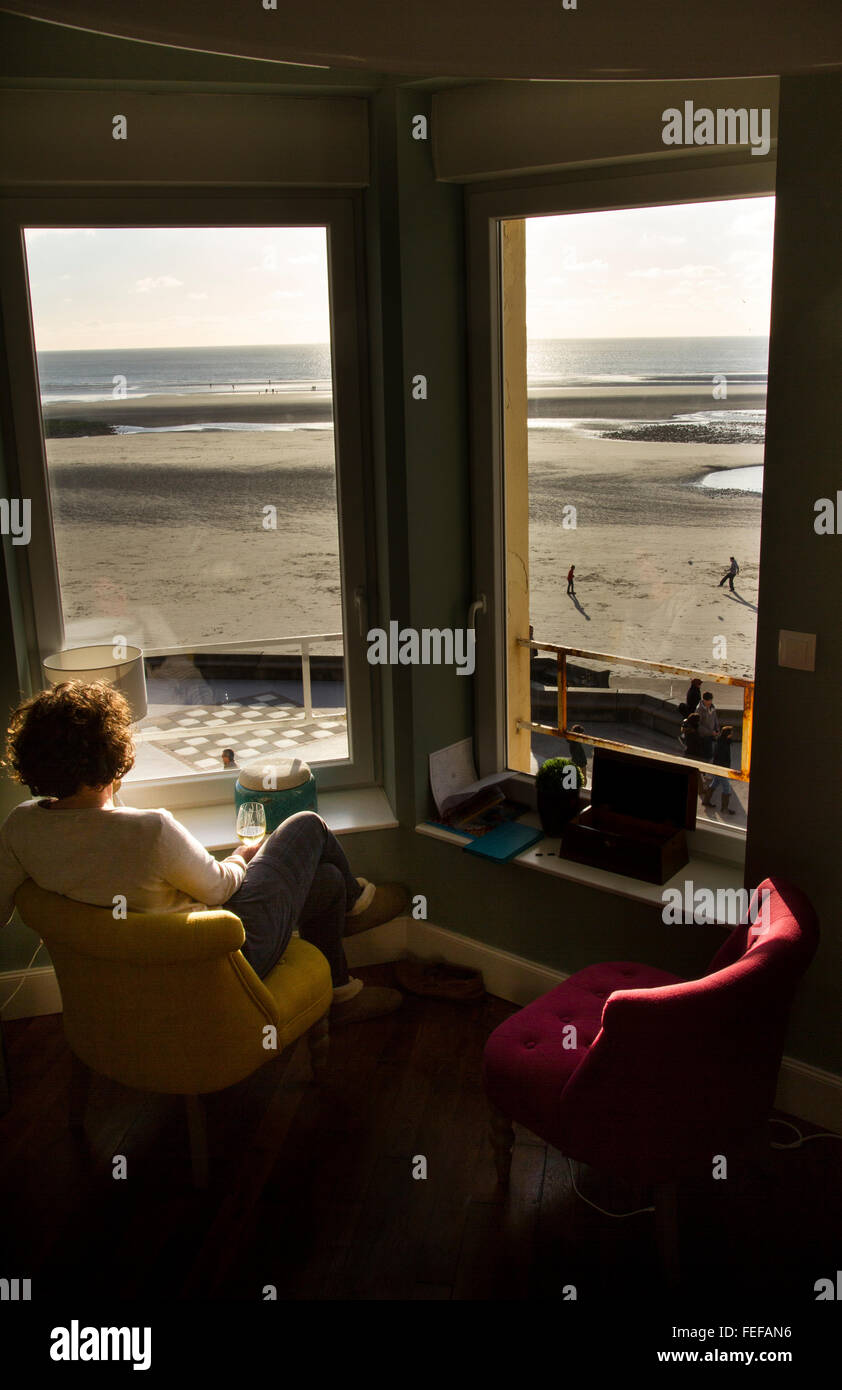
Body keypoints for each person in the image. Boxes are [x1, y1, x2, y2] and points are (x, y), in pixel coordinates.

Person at [0, 681, 407, 1027]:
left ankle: (340, 993)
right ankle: (357, 905)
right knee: (305, 824)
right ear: (114, 755)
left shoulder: (20, 826)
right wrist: (243, 853)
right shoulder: (149, 830)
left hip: (124, 983)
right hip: (221, 965)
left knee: (324, 883)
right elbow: (219, 890)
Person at [703, 725, 736, 815]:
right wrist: (724, 769)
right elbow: (722, 757)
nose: (732, 734)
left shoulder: (723, 741)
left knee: (715, 783)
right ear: (728, 734)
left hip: (719, 767)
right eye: (731, 732)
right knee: (726, 788)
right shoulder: (723, 744)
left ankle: (706, 801)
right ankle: (725, 808)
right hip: (721, 768)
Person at [697, 691, 720, 761]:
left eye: (711, 700)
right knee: (705, 756)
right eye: (708, 701)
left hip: (711, 735)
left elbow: (715, 718)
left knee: (710, 755)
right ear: (704, 700)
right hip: (704, 737)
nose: (710, 702)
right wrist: (710, 732)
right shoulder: (699, 710)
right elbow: (698, 725)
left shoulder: (712, 707)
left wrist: (717, 729)